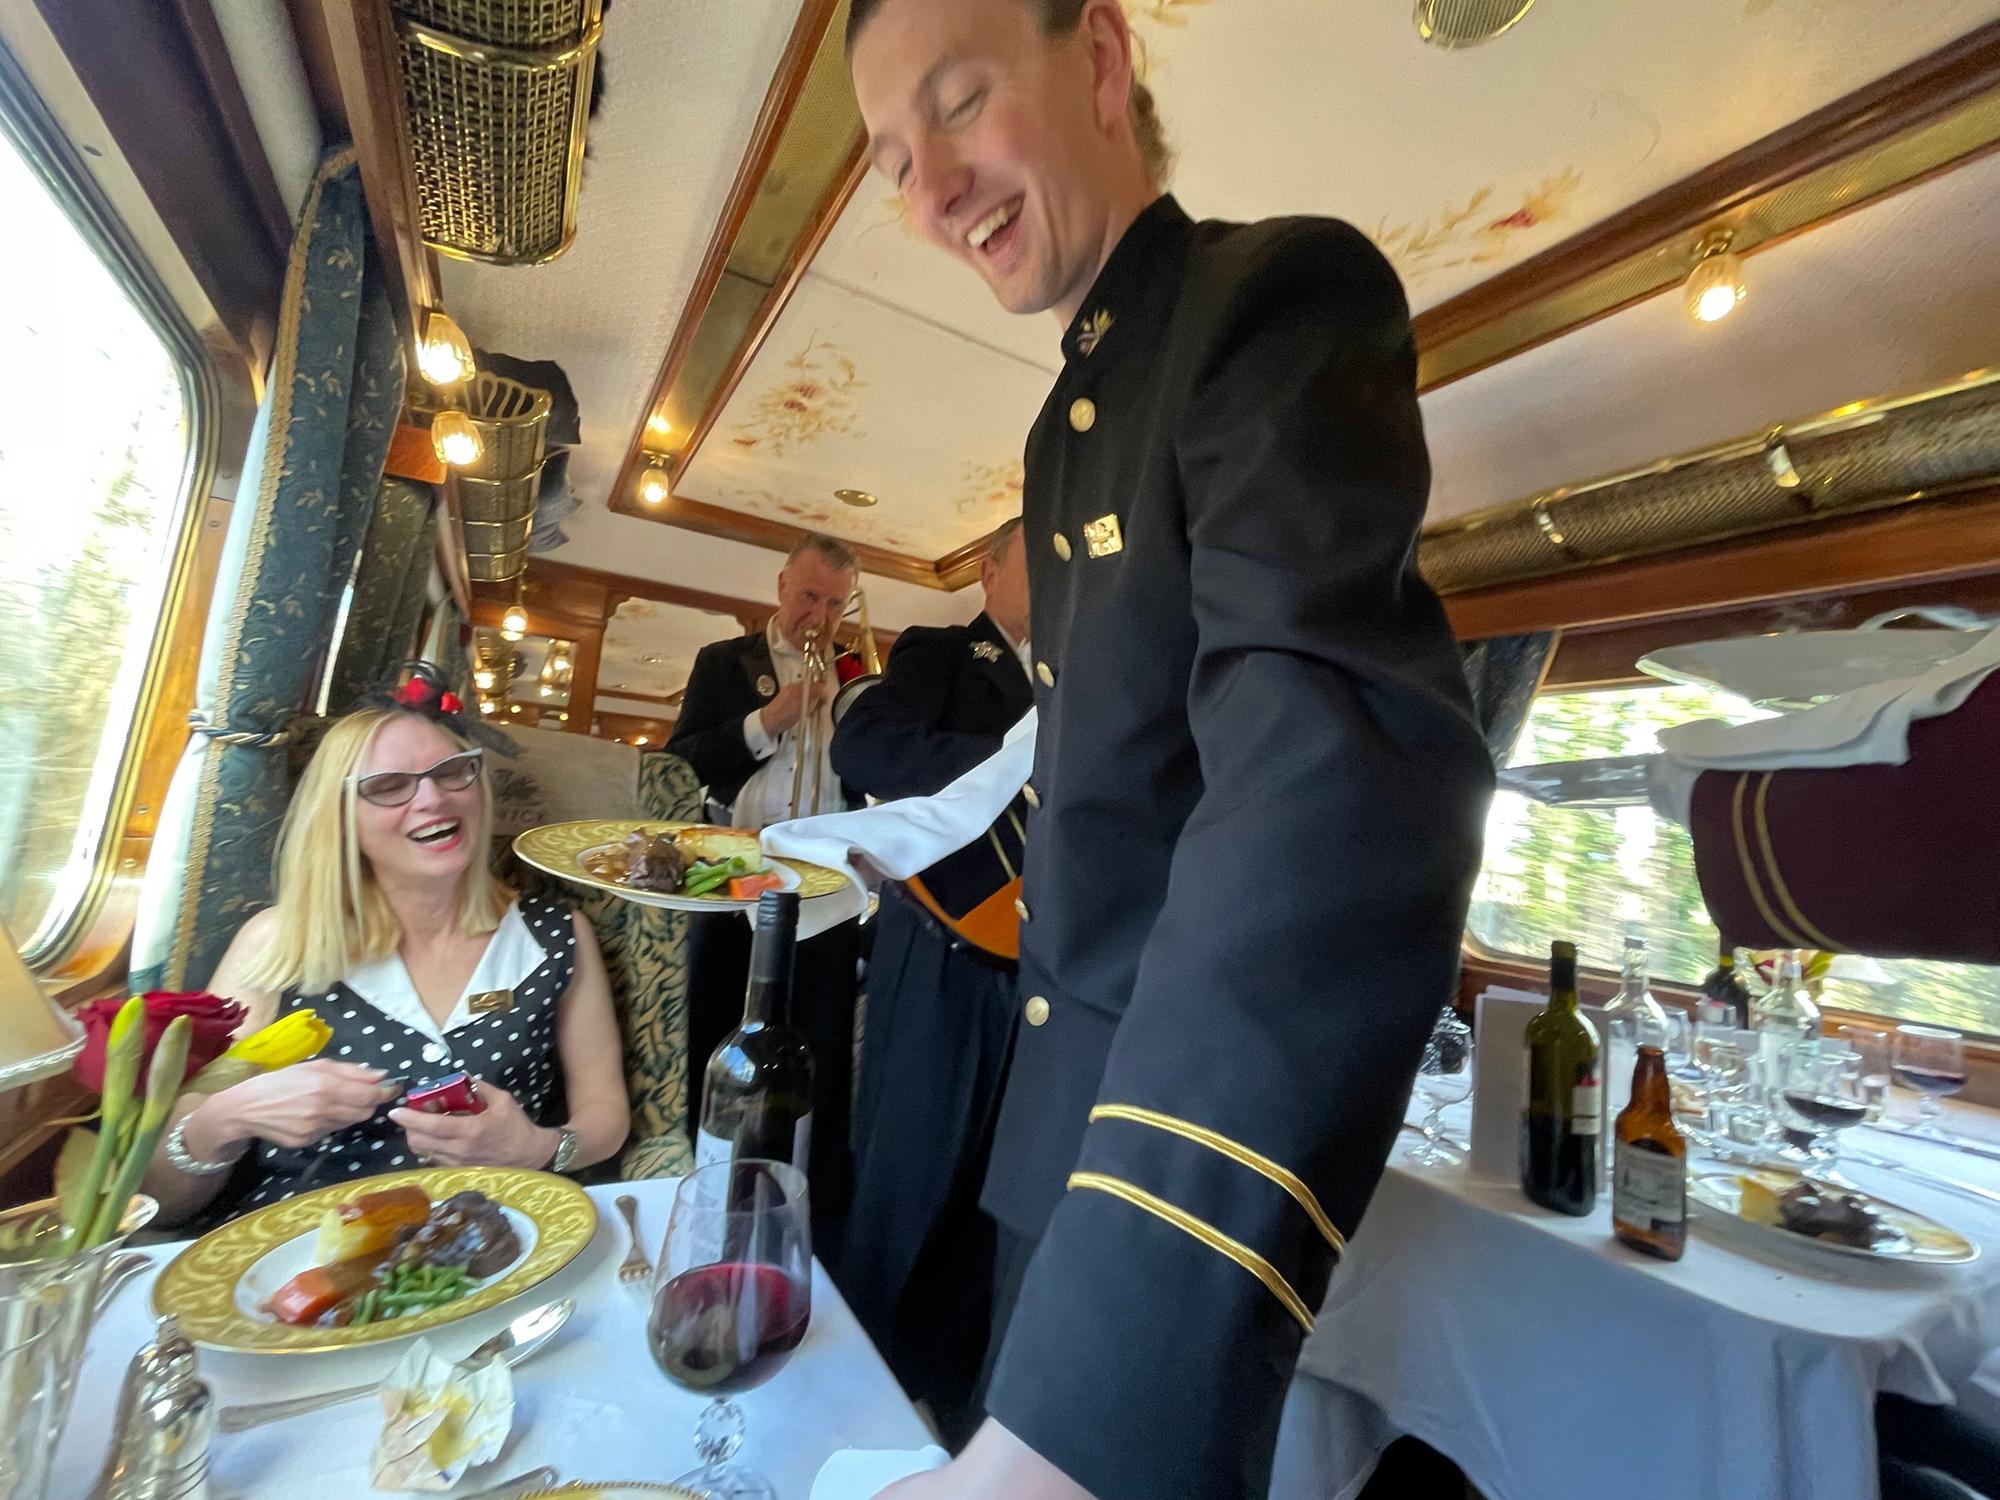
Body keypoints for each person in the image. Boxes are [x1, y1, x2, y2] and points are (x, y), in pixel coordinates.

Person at [847, 4, 1495, 1497]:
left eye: (958, 104)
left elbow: (1324, 785)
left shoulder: (1272, 298)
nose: (928, 189)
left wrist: (1080, 1422)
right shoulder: (1057, 435)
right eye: (892, 157)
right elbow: (1107, 788)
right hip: (1052, 1156)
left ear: (1099, 59)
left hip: (1166, 1175)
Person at [142, 664, 630, 1227]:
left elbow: (605, 1112)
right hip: (300, 1258)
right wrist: (224, 1119)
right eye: (388, 785)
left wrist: (539, 1150)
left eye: (452, 773)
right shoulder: (279, 942)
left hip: (500, 1239)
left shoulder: (555, 935)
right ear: (340, 819)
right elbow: (160, 1206)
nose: (433, 800)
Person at [828, 515, 1034, 1445]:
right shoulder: (944, 652)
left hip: (1047, 975)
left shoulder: (1096, 680)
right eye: (1045, 553)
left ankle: (955, 1414)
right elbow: (864, 748)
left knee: (1001, 1196)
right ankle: (857, 1397)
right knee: (906, 1181)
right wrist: (1018, 773)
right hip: (941, 953)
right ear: (989, 571)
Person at [665, 533, 866, 1236]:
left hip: (826, 894)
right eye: (809, 595)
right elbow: (682, 764)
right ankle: (707, 1191)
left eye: (835, 603)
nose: (820, 614)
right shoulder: (723, 663)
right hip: (734, 889)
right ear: (782, 586)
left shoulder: (857, 677)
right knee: (719, 1031)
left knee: (820, 1047)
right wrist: (768, 720)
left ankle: (808, 1203)